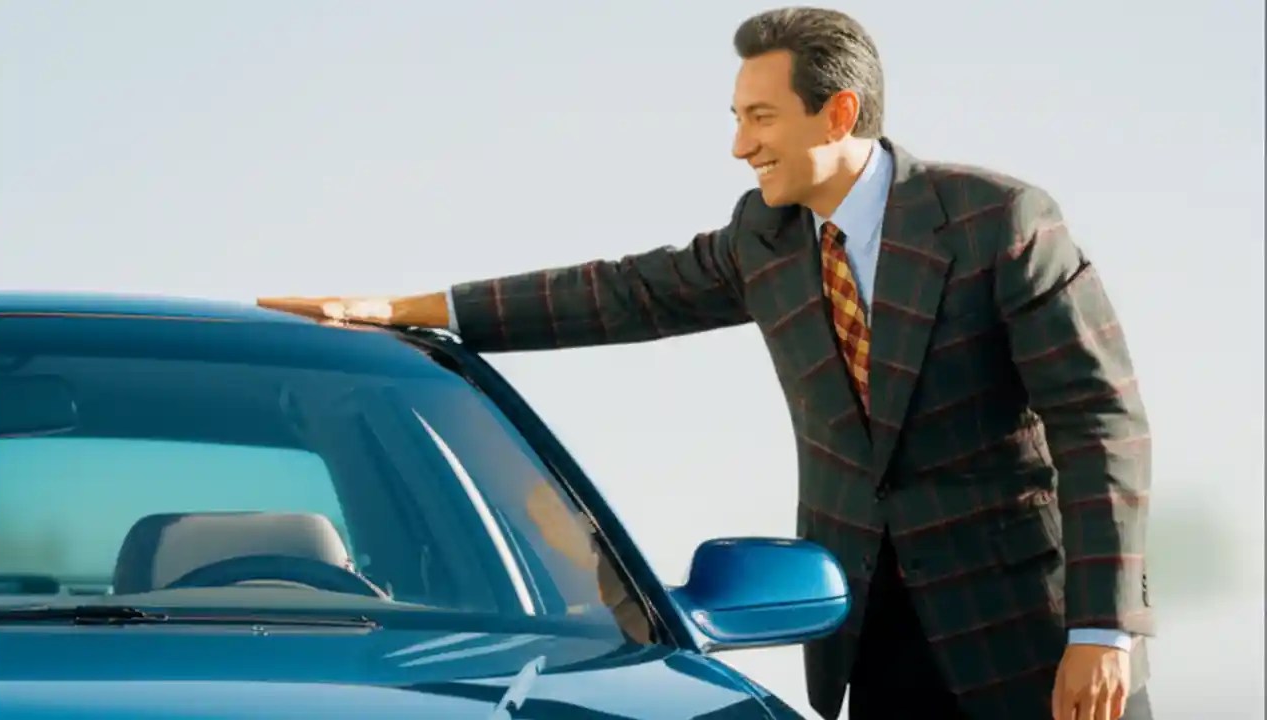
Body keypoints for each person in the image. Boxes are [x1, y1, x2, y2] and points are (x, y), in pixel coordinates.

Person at [258, 7, 1155, 719]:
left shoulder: (997, 220)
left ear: (838, 112)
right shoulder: (762, 238)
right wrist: (411, 311)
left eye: (760, 117)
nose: (740, 143)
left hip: (1033, 636)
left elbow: (1098, 422)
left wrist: (1101, 630)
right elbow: (618, 294)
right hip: (872, 632)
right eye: (737, 118)